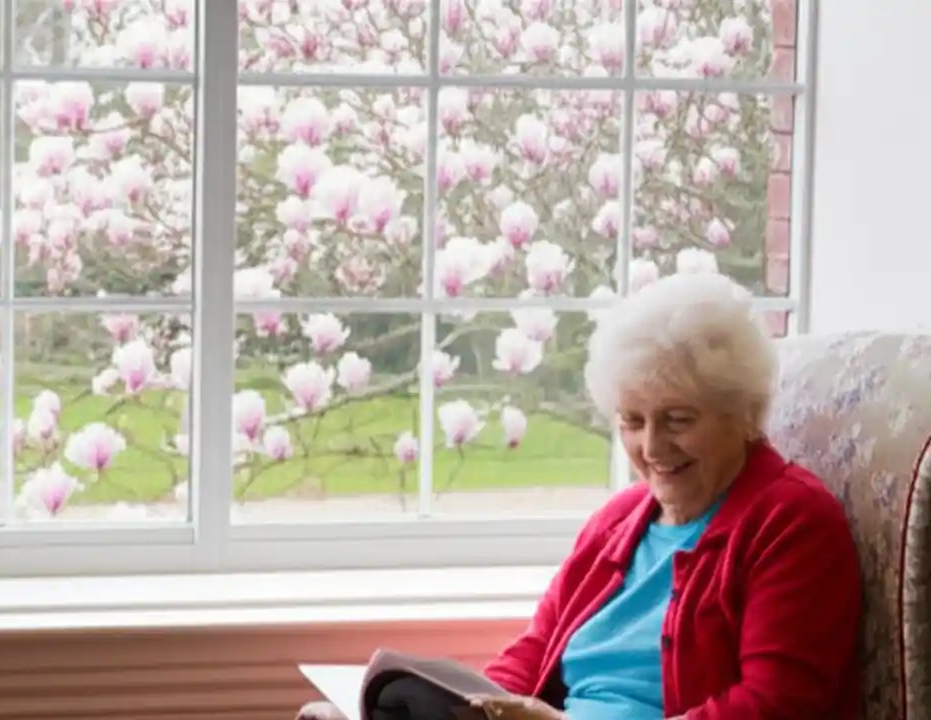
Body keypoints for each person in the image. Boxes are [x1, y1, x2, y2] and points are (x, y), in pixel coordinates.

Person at [299, 272, 862, 719]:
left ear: (744, 414)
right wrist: (472, 707)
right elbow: (534, 650)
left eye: (678, 419)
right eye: (632, 420)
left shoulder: (790, 521)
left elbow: (777, 706)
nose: (651, 446)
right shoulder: (618, 522)